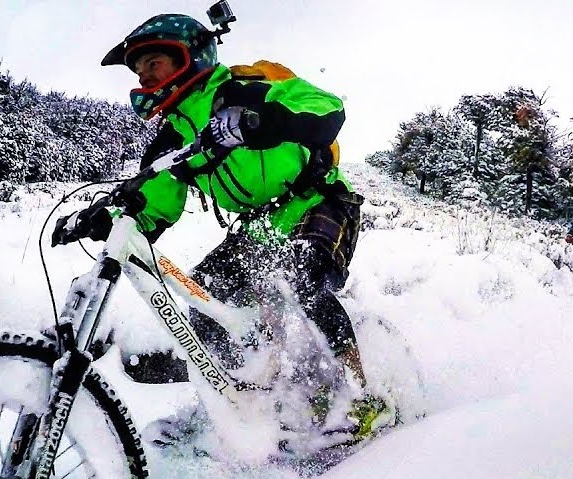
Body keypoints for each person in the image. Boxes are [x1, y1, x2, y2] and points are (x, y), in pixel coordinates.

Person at [72, 13, 388, 443]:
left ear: (189, 58)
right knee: (204, 301)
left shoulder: (242, 89)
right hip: (260, 226)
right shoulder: (173, 140)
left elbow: (326, 107)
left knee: (303, 276)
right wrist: (109, 218)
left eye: (154, 64)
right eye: (139, 70)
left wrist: (264, 119)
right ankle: (244, 400)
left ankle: (363, 396)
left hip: (319, 201)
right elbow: (157, 202)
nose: (145, 77)